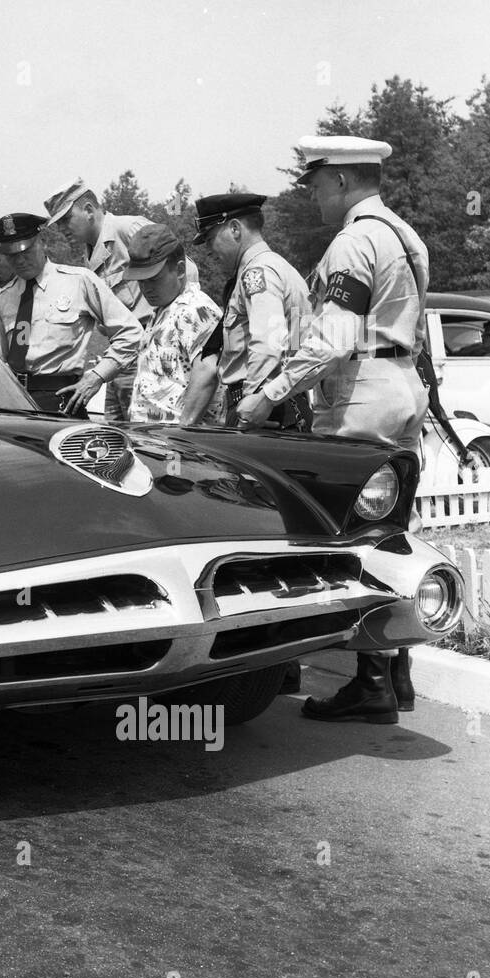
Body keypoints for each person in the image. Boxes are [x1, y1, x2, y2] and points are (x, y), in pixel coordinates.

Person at [237, 137, 429, 722]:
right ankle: (395, 674)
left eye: (316, 184)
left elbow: (334, 336)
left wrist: (269, 394)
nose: (313, 195)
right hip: (399, 381)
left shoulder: (354, 240)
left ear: (342, 181)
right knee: (394, 530)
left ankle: (372, 682)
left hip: (361, 392)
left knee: (352, 533)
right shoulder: (402, 232)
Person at [0, 212, 142, 415]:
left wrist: (97, 376)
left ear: (41, 242)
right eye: (11, 255)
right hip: (15, 404)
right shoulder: (5, 298)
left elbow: (131, 333)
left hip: (63, 401)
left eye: (25, 251)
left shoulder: (79, 281)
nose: (20, 261)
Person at [194, 191, 313, 430]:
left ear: (235, 229)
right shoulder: (281, 268)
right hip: (283, 402)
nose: (209, 251)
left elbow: (268, 343)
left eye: (210, 239)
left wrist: (251, 402)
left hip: (261, 407)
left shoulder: (256, 273)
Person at [44, 177, 153, 419]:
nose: (61, 230)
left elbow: (184, 270)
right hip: (120, 356)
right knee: (119, 439)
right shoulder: (90, 255)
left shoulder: (129, 229)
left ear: (89, 210)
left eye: (65, 220)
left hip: (148, 354)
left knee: (148, 436)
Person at [126, 225, 222, 424]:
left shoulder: (195, 309)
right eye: (140, 281)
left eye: (153, 279)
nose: (145, 288)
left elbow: (207, 372)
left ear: (179, 270)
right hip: (153, 439)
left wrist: (183, 431)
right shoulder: (164, 308)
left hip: (178, 444)